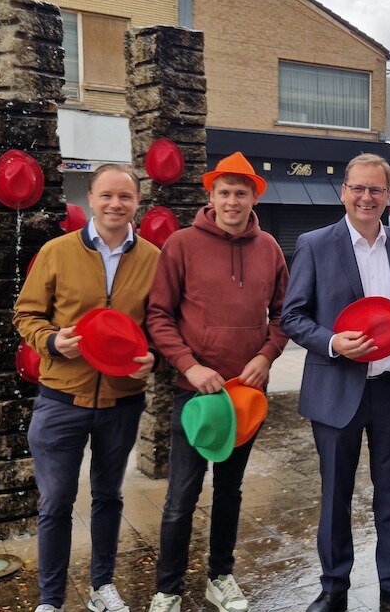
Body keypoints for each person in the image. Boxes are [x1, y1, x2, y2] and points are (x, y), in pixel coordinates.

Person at [281, 153, 390, 612]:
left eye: (376, 190)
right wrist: (332, 343)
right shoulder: (314, 243)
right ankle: (333, 587)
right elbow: (292, 316)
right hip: (336, 390)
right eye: (359, 188)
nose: (367, 197)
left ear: (389, 196)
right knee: (336, 495)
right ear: (343, 191)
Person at [144, 152, 289, 612]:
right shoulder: (181, 245)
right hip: (196, 393)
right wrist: (188, 365)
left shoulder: (270, 249)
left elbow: (285, 314)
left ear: (253, 197)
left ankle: (221, 576)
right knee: (182, 494)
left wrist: (267, 355)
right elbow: (158, 315)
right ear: (211, 196)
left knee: (230, 489)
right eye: (224, 192)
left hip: (245, 394)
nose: (232, 200)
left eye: (240, 192)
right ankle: (167, 588)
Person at [14, 164, 161, 612]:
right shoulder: (58, 251)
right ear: (90, 199)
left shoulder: (155, 258)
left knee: (108, 496)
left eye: (125, 197)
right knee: (56, 500)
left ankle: (102, 586)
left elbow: (159, 323)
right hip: (61, 399)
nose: (116, 204)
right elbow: (26, 315)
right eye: (106, 196)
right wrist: (53, 342)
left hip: (122, 401)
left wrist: (151, 356)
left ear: (138, 203)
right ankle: (51, 600)